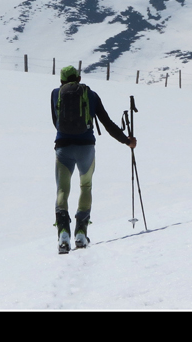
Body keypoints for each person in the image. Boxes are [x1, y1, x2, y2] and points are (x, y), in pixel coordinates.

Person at [51, 65, 136, 253]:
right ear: (79, 78)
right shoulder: (91, 95)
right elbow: (107, 123)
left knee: (62, 190)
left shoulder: (56, 94)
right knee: (86, 186)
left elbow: (55, 121)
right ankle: (81, 233)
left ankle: (63, 235)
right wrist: (126, 141)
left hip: (63, 148)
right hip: (86, 148)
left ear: (62, 80)